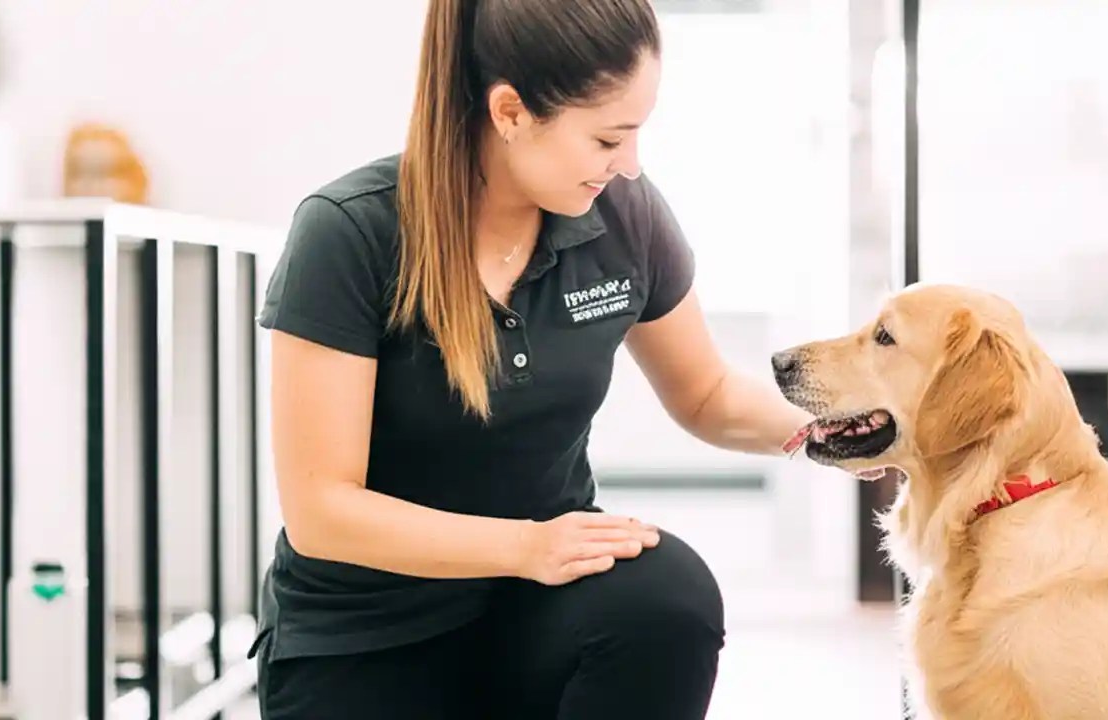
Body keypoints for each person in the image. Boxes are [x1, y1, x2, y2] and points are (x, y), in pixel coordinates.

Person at [250, 0, 815, 717]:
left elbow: (705, 394)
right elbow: (323, 512)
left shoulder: (625, 215)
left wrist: (828, 434)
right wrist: (524, 547)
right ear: (510, 112)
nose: (630, 165)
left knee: (667, 598)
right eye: (609, 138)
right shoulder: (349, 234)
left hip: (536, 610)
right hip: (365, 632)